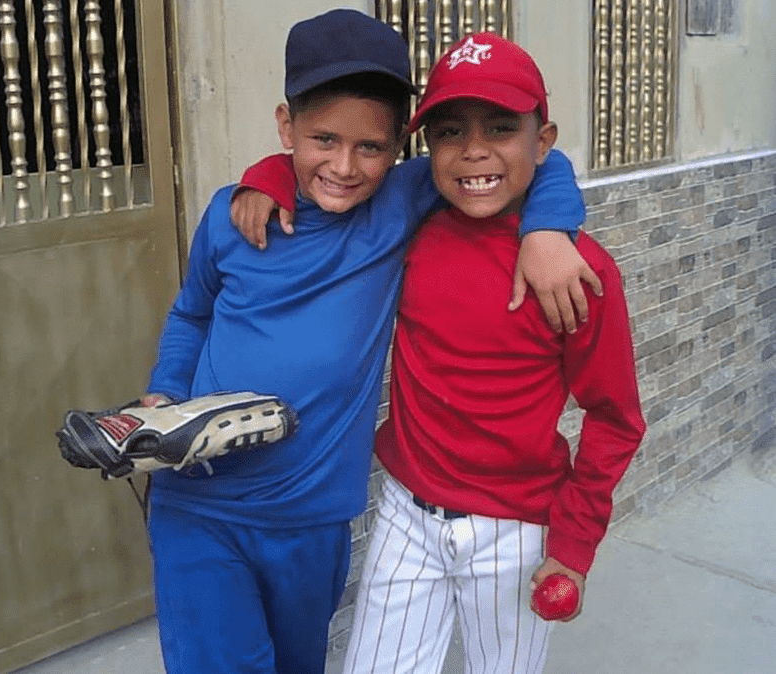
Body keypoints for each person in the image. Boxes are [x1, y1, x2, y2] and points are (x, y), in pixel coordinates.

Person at [146, 10, 597, 674]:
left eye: (371, 147)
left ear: (396, 151)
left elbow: (536, 158)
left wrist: (548, 228)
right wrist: (166, 392)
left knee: (300, 661)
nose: (345, 165)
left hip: (311, 518)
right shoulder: (231, 216)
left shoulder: (400, 201)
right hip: (198, 501)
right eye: (322, 139)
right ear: (284, 127)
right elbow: (191, 316)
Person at [338, 34, 646, 674]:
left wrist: (574, 544)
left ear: (543, 140)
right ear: (427, 150)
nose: (474, 149)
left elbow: (615, 417)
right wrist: (260, 182)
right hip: (406, 514)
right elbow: (322, 178)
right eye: (449, 131)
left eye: (501, 128)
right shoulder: (410, 229)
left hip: (516, 532)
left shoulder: (577, 272)